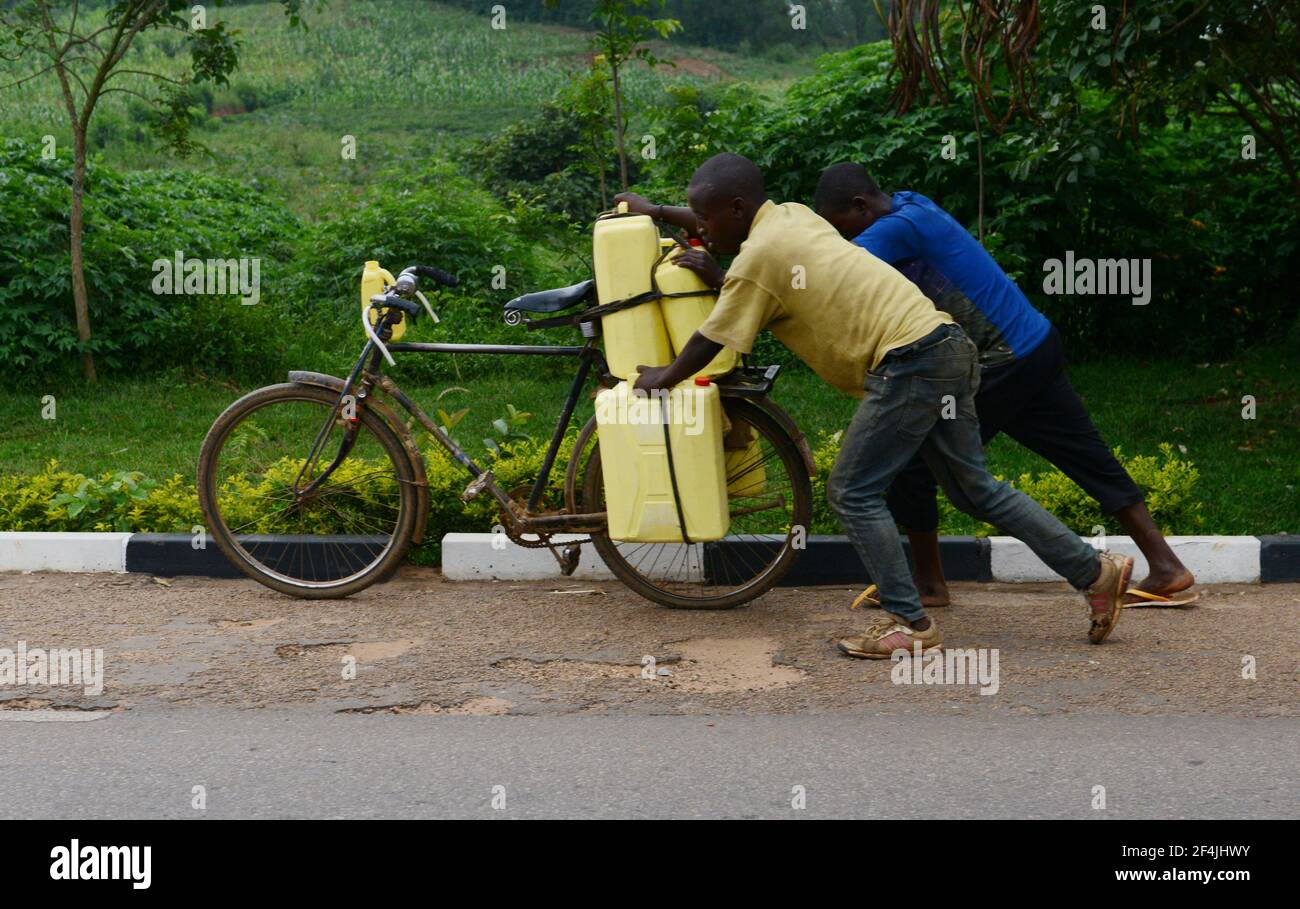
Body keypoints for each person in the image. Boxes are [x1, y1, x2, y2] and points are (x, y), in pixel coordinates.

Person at [630, 152, 1134, 658]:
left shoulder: (758, 257)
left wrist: (663, 378)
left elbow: (713, 335)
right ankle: (1094, 572)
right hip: (945, 344)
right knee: (974, 489)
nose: (701, 230)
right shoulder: (791, 215)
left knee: (852, 490)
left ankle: (909, 624)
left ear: (737, 209)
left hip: (910, 363)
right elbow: (729, 249)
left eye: (706, 219)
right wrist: (655, 210)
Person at [811, 163, 1196, 608]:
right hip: (1034, 343)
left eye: (843, 227)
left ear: (861, 207)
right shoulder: (912, 203)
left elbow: (832, 276)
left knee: (911, 460)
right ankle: (1166, 565)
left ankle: (930, 584)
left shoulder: (897, 230)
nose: (845, 239)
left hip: (1002, 362)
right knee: (1087, 456)